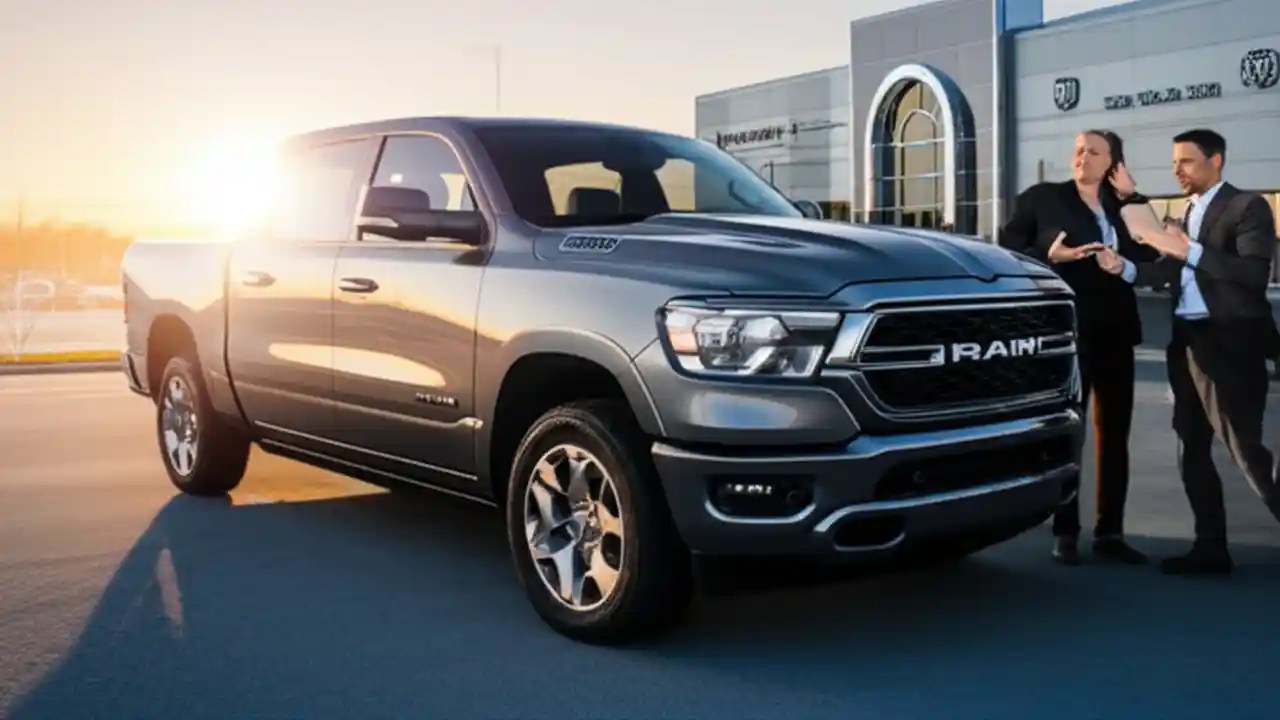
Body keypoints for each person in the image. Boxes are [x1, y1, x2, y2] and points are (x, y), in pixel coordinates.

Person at [1104, 128, 1280, 575]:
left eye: (1186, 162)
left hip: (1231, 345)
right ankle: (1210, 547)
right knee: (1191, 444)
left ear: (1216, 161)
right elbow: (1169, 268)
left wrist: (1192, 251)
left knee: (1247, 451)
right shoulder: (1185, 212)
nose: (1177, 170)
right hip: (1187, 344)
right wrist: (1123, 267)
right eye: (1174, 163)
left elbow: (1253, 275)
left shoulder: (1248, 206)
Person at [1000, 129, 1160, 566]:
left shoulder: (1123, 205)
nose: (1081, 158)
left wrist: (1132, 197)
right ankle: (1065, 531)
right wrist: (1051, 256)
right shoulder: (1042, 198)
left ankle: (1111, 532)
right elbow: (1007, 249)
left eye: (1093, 152)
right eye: (1077, 151)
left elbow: (1153, 255)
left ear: (1113, 162)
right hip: (1067, 333)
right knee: (1070, 433)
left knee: (1115, 436)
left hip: (1116, 330)